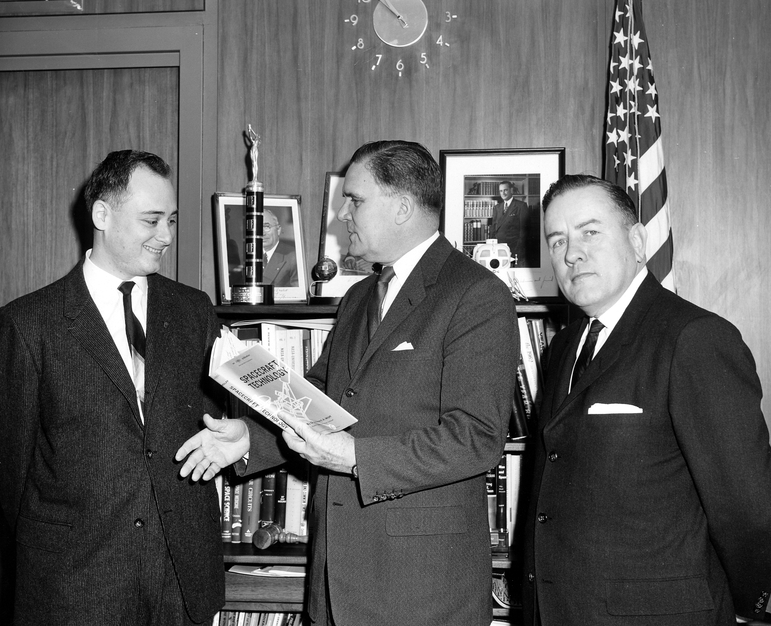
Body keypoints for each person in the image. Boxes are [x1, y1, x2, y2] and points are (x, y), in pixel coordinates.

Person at [176, 140, 520, 625]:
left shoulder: (476, 295)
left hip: (420, 592)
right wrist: (248, 439)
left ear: (402, 206)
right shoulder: (359, 296)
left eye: (354, 199)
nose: (341, 214)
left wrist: (353, 455)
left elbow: (477, 438)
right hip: (334, 580)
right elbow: (319, 402)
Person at [522, 174, 771, 625]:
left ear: (639, 241)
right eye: (557, 240)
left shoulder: (694, 338)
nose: (572, 253)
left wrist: (742, 602)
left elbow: (752, 513)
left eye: (590, 232)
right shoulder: (563, 348)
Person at [0, 150, 227, 626]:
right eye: (152, 220)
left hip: (180, 586)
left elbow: (212, 430)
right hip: (73, 588)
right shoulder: (27, 324)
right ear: (102, 213)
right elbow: (4, 470)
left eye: (171, 220)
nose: (168, 236)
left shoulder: (194, 312)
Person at [491, 180, 537, 267]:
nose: (503, 193)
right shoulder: (497, 207)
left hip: (514, 249)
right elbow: (493, 228)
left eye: (505, 190)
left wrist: (518, 250)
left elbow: (524, 231)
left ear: (511, 190)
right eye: (501, 191)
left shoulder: (521, 206)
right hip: (498, 249)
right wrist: (492, 246)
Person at [261, 208, 299, 287]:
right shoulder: (247, 255)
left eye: (267, 227)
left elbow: (298, 296)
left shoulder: (294, 258)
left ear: (278, 230)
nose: (262, 233)